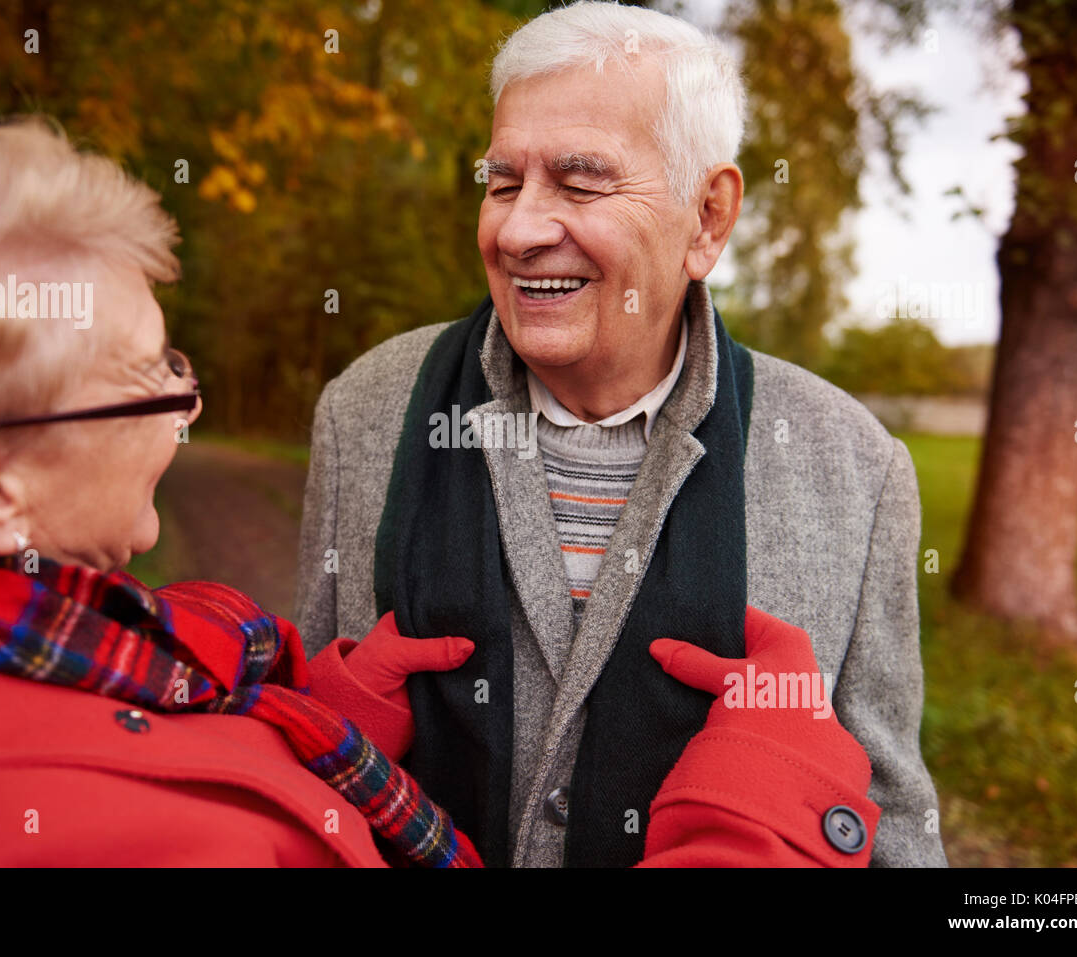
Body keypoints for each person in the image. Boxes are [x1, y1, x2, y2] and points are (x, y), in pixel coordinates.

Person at [0, 93, 880, 867]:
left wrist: (304, 723)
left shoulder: (87, 648)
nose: (186, 404)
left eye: (582, 180)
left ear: (707, 218)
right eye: (148, 380)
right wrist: (762, 804)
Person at [295, 1, 947, 868]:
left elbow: (894, 824)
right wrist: (321, 736)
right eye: (501, 183)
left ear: (708, 217)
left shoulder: (857, 469)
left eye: (580, 182)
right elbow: (287, 771)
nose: (519, 229)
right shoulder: (364, 411)